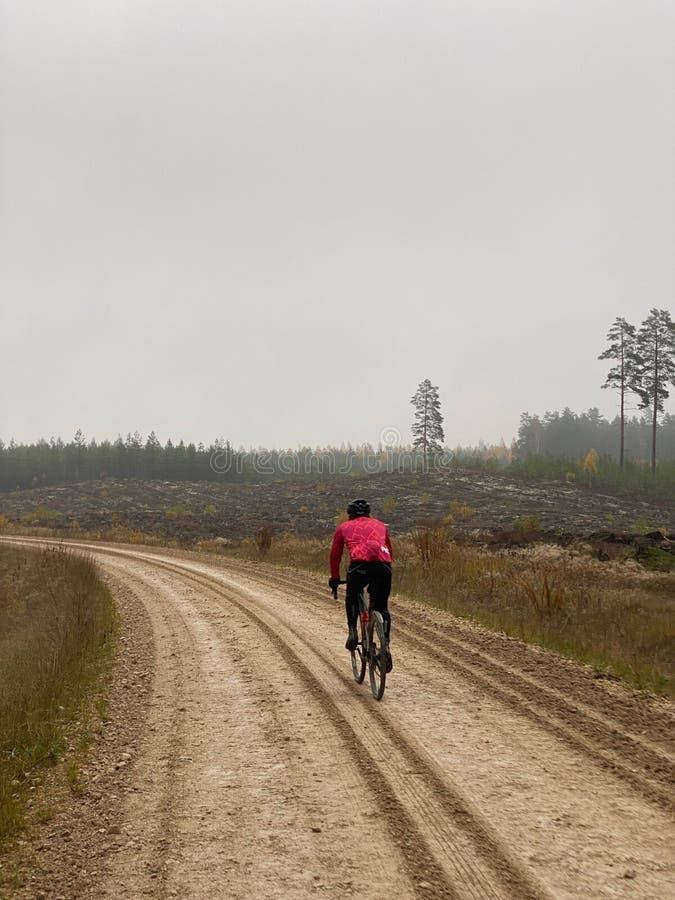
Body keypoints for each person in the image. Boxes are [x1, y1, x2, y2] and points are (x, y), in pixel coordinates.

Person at [328, 499, 393, 671]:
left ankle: (352, 631)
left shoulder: (343, 527)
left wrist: (335, 578)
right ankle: (385, 647)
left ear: (349, 514)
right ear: (368, 514)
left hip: (359, 566)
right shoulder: (380, 525)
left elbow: (335, 555)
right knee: (382, 607)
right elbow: (389, 550)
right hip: (383, 565)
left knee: (352, 596)